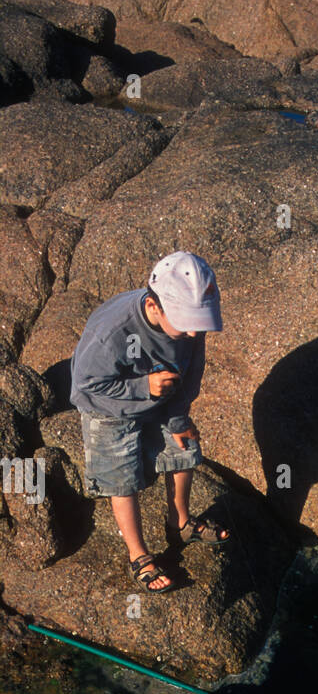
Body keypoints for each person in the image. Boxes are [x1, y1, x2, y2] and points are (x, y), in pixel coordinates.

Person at [70, 251, 229, 593]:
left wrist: (178, 418)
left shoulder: (190, 329)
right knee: (121, 479)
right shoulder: (112, 330)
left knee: (184, 449)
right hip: (106, 406)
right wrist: (143, 386)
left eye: (198, 322)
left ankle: (181, 522)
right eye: (186, 321)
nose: (192, 332)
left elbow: (190, 373)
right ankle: (138, 553)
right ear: (155, 307)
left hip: (162, 396)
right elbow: (85, 385)